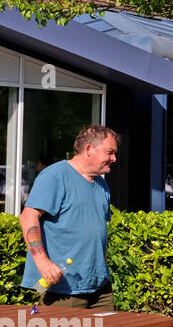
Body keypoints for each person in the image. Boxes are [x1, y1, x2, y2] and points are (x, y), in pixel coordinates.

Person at [20, 125, 118, 310]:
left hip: (100, 286)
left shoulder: (101, 184)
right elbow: (28, 217)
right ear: (89, 149)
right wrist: (42, 262)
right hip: (64, 287)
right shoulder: (54, 176)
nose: (114, 158)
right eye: (109, 152)